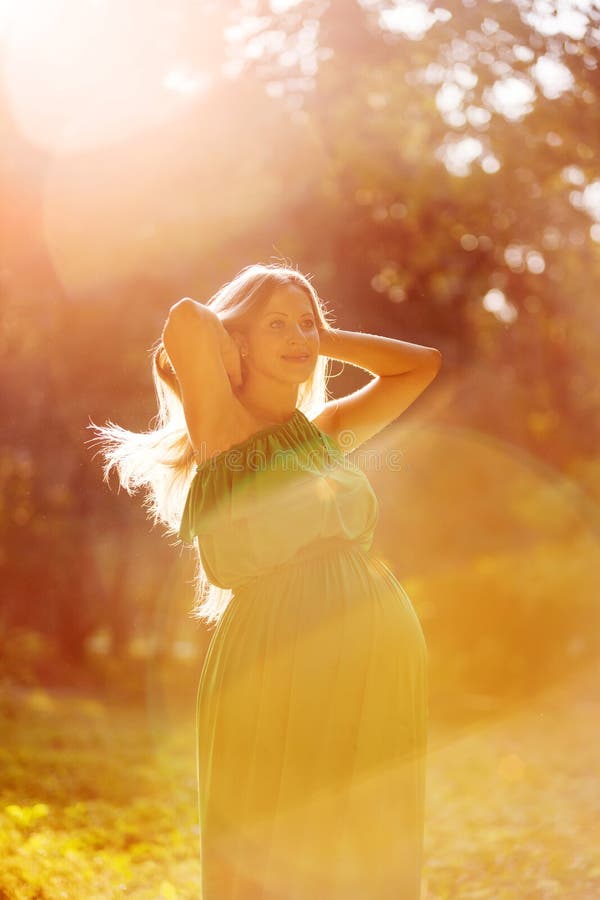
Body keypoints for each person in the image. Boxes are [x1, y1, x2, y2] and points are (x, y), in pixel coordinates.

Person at [92, 262, 441, 899]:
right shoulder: (223, 431)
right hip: (279, 650)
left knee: (366, 841)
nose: (297, 335)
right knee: (277, 840)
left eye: (305, 322)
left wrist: (321, 336)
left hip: (377, 651)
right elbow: (187, 321)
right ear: (240, 339)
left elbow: (421, 365)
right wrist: (250, 327)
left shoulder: (328, 432)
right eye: (276, 323)